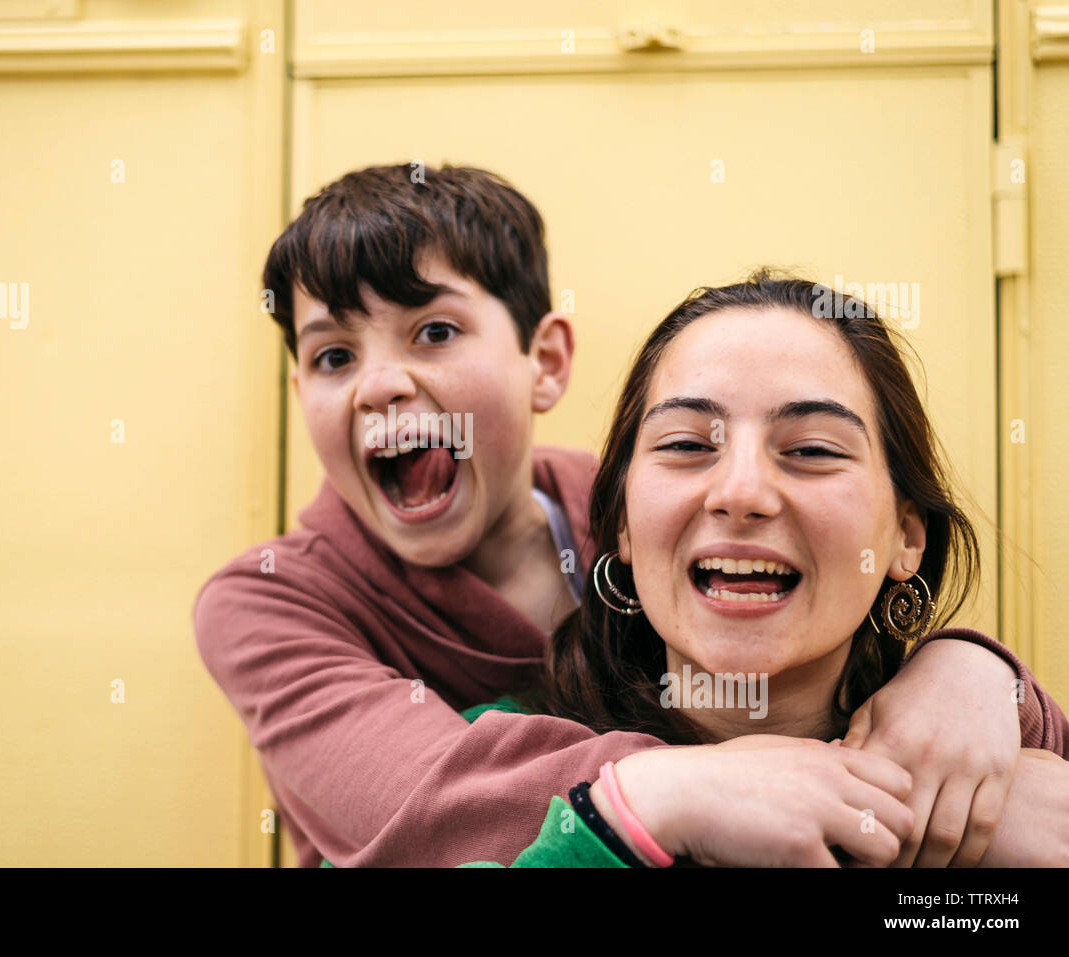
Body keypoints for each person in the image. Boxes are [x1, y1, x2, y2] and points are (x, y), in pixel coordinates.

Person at [193, 163, 1062, 867]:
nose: (736, 492)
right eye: (335, 353)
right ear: (300, 389)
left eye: (434, 333)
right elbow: (423, 804)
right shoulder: (271, 600)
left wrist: (976, 674)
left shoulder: (647, 501)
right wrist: (677, 796)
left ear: (546, 363)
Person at [438, 272, 1069, 867]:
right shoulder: (481, 760)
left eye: (811, 450)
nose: (740, 493)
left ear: (905, 535)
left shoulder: (1008, 769)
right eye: (686, 445)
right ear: (623, 523)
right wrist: (627, 818)